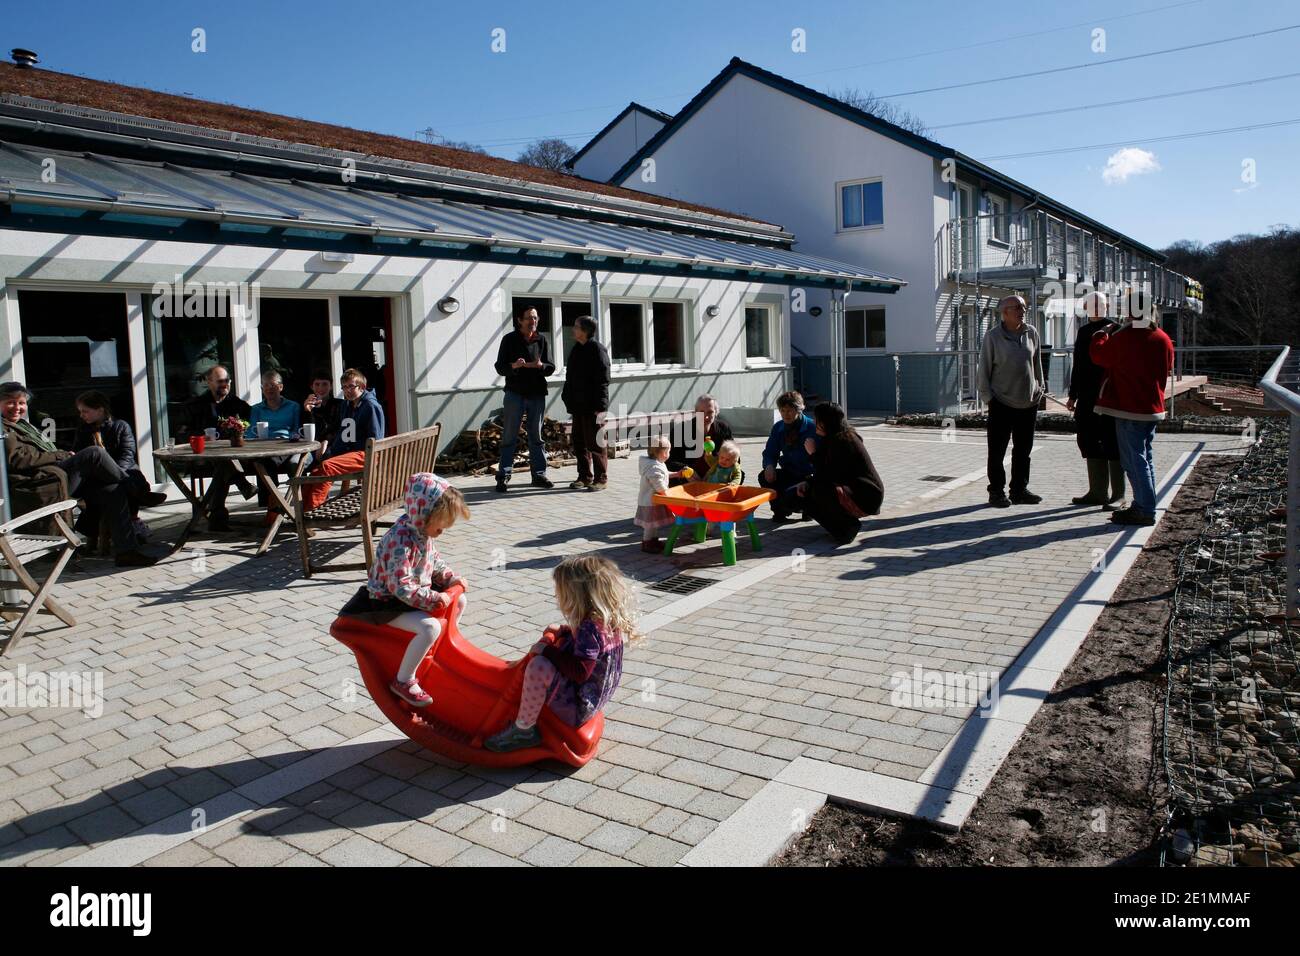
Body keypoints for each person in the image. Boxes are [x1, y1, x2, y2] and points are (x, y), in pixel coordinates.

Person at [484, 554, 639, 753]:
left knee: (538, 666)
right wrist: (567, 631)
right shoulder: (604, 621)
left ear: (576, 596)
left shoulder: (589, 628)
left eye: (560, 592)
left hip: (577, 708)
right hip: (594, 701)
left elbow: (580, 671)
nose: (557, 596)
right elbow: (592, 650)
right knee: (553, 652)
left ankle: (524, 729)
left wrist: (546, 651)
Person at [1, 382, 159, 566]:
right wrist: (60, 455)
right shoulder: (3, 428)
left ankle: (126, 551)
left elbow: (127, 453)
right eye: (11, 402)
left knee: (112, 488)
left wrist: (63, 455)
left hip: (52, 475)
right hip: (40, 483)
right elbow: (18, 459)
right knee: (94, 453)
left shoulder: (22, 425)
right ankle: (136, 490)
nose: (17, 407)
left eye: (21, 403)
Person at [349, 473, 471, 707]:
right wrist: (436, 597)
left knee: (461, 600)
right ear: (424, 514)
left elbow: (434, 563)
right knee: (429, 627)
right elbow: (401, 587)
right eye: (442, 522)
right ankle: (403, 680)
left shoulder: (423, 532)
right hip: (388, 602)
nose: (445, 528)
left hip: (411, 593)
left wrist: (450, 579)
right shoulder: (400, 541)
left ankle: (444, 647)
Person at [1089, 290, 1175, 527]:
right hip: (1152, 407)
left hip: (1129, 408)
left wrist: (1100, 335)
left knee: (1133, 461)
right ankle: (1144, 504)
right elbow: (1167, 366)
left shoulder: (1127, 337)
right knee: (1145, 458)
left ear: (1131, 311)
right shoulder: (1162, 338)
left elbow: (1100, 356)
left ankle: (1145, 510)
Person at [977, 294, 1046, 508]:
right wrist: (989, 399)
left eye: (1024, 307)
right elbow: (983, 371)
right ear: (1004, 312)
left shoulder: (1031, 332)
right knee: (997, 452)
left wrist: (1039, 388)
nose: (1022, 310)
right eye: (1017, 307)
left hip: (1028, 403)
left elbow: (1037, 364)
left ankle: (1019, 490)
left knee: (1023, 451)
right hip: (1001, 403)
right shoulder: (993, 337)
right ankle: (996, 491)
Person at [73, 390, 161, 545]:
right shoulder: (83, 431)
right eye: (80, 412)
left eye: (85, 411)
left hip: (122, 470)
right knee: (120, 485)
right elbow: (81, 456)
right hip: (97, 477)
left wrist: (115, 472)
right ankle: (139, 504)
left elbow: (127, 453)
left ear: (100, 410)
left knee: (124, 480)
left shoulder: (120, 426)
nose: (82, 415)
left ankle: (131, 519)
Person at [793, 402, 884, 545]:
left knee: (817, 490)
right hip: (856, 492)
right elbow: (827, 472)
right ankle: (844, 525)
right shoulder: (833, 438)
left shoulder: (843, 441)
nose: (814, 422)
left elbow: (829, 474)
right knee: (804, 493)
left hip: (867, 497)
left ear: (826, 422)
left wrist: (812, 454)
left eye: (817, 419)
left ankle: (846, 529)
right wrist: (808, 482)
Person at [1066, 291, 1125, 508]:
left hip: (1109, 395)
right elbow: (1078, 365)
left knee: (1112, 442)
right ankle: (1097, 491)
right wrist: (1073, 395)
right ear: (1085, 306)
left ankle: (1118, 494)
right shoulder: (1083, 332)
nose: (1097, 308)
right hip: (1087, 396)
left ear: (1107, 306)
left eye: (1100, 304)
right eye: (1092, 304)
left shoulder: (1116, 329)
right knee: (1088, 440)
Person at [301, 369, 386, 513]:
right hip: (348, 451)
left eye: (351, 386)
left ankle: (312, 512)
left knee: (327, 467)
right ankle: (303, 512)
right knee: (315, 471)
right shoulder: (347, 405)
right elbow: (342, 432)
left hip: (367, 454)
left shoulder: (370, 406)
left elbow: (375, 439)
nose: (347, 390)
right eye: (344, 387)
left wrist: (346, 451)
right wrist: (330, 448)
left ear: (362, 387)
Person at [180, 365, 253, 532]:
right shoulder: (195, 405)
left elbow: (252, 424)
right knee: (222, 464)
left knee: (223, 465)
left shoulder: (237, 404)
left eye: (227, 380)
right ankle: (242, 485)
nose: (225, 384)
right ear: (209, 382)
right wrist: (200, 437)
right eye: (220, 381)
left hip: (234, 458)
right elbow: (183, 434)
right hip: (203, 457)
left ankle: (217, 518)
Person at [493, 306, 555, 492]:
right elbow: (499, 367)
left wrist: (541, 366)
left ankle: (539, 475)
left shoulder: (541, 339)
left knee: (536, 436)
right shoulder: (509, 340)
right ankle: (503, 476)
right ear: (520, 320)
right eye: (529, 318)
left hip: (536, 394)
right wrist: (514, 365)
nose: (533, 322)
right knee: (509, 436)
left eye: (535, 318)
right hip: (515, 394)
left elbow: (551, 367)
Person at [560, 315, 611, 491]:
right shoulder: (576, 350)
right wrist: (567, 397)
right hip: (578, 406)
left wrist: (601, 407)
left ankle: (601, 479)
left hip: (594, 407)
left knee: (596, 443)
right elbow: (570, 378)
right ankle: (584, 477)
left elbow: (603, 380)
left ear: (585, 331)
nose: (572, 329)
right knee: (580, 442)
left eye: (576, 326)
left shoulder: (597, 350)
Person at [245, 371, 303, 521]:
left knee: (266, 462)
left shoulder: (293, 406)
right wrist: (254, 436)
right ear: (262, 388)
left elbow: (296, 430)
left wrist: (291, 437)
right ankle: (273, 502)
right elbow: (250, 432)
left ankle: (273, 505)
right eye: (265, 385)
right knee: (261, 461)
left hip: (284, 445)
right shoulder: (257, 409)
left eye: (273, 385)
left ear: (281, 387)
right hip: (263, 446)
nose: (269, 388)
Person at [759, 390, 817, 521]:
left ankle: (809, 508)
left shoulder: (812, 428)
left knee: (808, 492)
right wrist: (769, 466)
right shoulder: (778, 428)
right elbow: (770, 452)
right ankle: (779, 511)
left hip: (809, 476)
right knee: (764, 476)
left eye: (790, 410)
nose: (786, 414)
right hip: (790, 472)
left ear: (799, 410)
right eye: (782, 410)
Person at [668, 394, 734, 482]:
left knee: (739, 474)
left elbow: (734, 454)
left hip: (717, 476)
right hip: (689, 478)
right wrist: (685, 469)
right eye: (702, 412)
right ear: (696, 412)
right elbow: (669, 461)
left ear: (716, 412)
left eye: (710, 412)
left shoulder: (723, 428)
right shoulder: (680, 430)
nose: (706, 416)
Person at [635, 434, 683, 553]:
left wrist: (676, 474)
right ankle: (646, 543)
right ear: (663, 453)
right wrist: (667, 494)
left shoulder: (657, 463)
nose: (668, 454)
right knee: (650, 525)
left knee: (654, 523)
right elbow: (658, 484)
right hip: (650, 501)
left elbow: (664, 474)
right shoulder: (653, 468)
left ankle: (653, 540)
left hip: (655, 500)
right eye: (668, 451)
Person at [302, 369, 342, 447]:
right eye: (317, 384)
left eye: (324, 384)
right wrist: (308, 411)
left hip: (333, 446)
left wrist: (326, 441)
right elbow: (305, 433)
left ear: (331, 386)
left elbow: (338, 429)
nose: (321, 388)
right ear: (311, 387)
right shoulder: (307, 405)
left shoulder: (340, 404)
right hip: (311, 447)